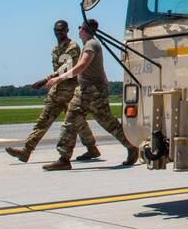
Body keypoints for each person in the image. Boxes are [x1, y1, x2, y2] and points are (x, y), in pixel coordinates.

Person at [42, 19, 140, 171]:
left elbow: (81, 66)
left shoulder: (91, 44)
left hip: (93, 93)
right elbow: (97, 67)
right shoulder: (88, 45)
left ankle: (132, 147)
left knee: (108, 123)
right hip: (84, 91)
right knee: (70, 122)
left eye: (80, 27)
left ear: (85, 30)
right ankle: (64, 159)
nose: (78, 29)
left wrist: (59, 78)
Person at [6, 20, 101, 163]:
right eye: (57, 31)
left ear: (67, 30)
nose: (59, 33)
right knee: (43, 122)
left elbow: (67, 68)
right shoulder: (56, 49)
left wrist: (46, 79)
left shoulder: (73, 47)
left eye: (62, 30)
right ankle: (26, 151)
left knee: (79, 123)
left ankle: (92, 148)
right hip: (56, 93)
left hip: (70, 93)